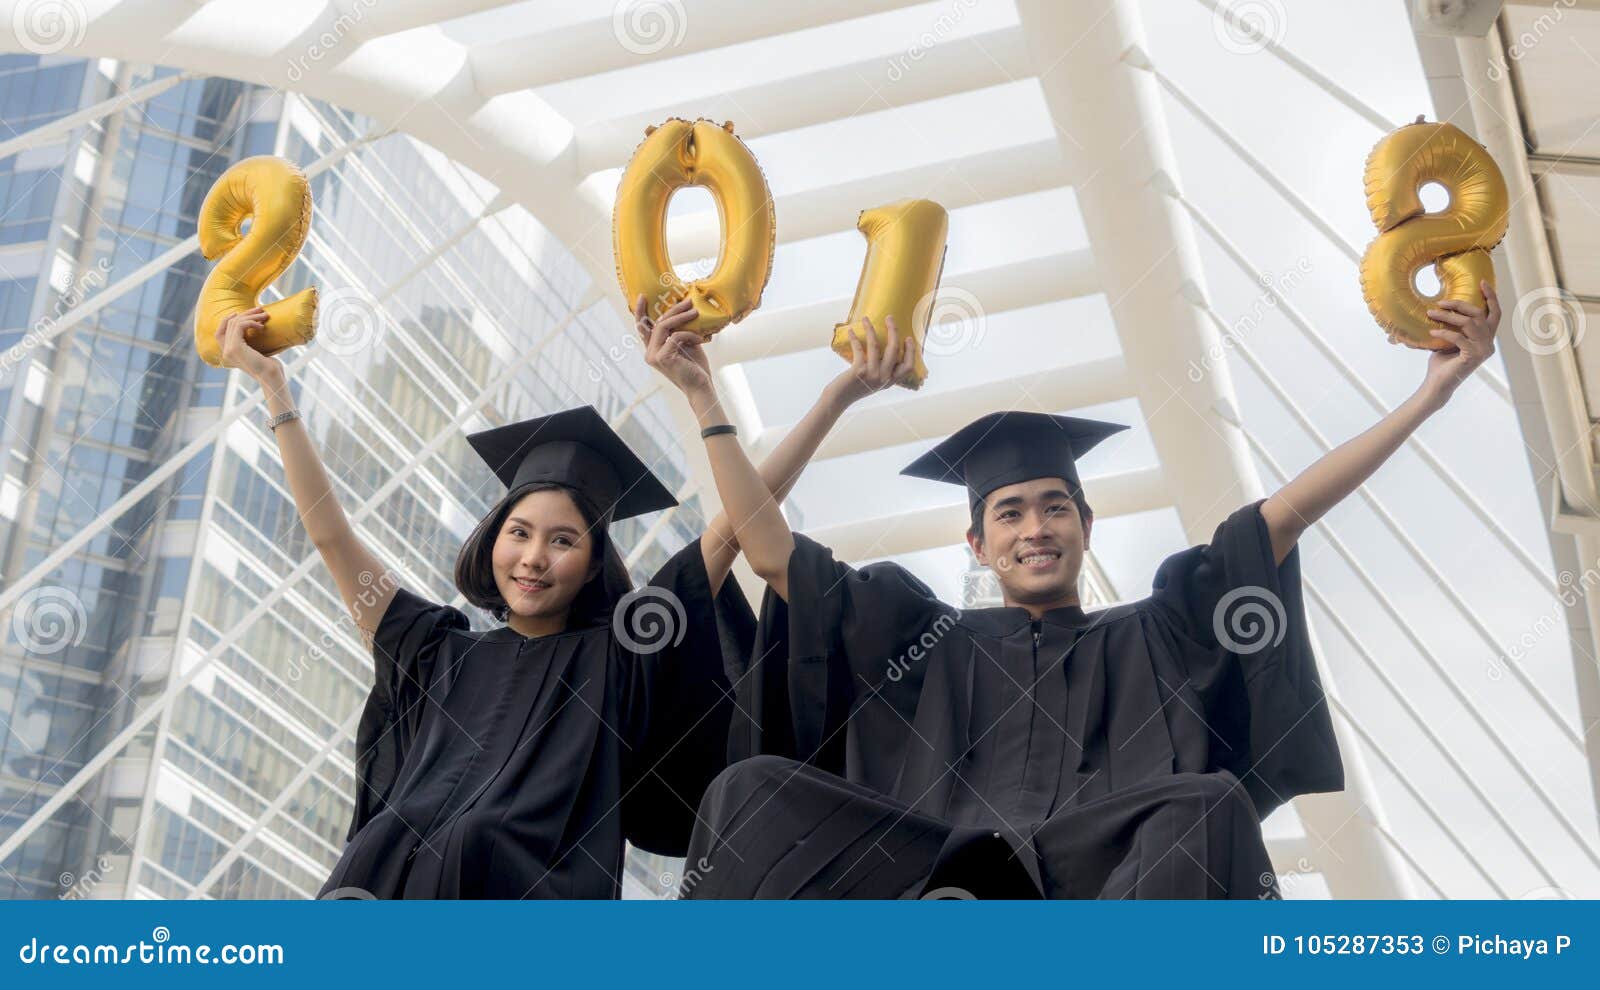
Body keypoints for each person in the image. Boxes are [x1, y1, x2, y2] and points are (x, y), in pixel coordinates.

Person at [642, 281, 1504, 898]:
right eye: (1010, 513)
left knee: (1211, 804)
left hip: (1099, 881)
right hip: (924, 873)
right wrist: (712, 395)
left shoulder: (1157, 632)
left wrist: (1430, 396)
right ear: (978, 544)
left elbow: (1281, 517)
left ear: (1086, 525)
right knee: (749, 790)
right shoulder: (914, 634)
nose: (1036, 528)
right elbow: (766, 548)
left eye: (1056, 507)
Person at [209, 292, 902, 898]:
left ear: (595, 563)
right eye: (519, 533)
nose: (534, 557)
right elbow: (330, 535)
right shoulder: (430, 651)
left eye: (564, 540)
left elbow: (734, 530)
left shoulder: (623, 654)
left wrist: (815, 400)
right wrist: (275, 390)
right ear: (492, 540)